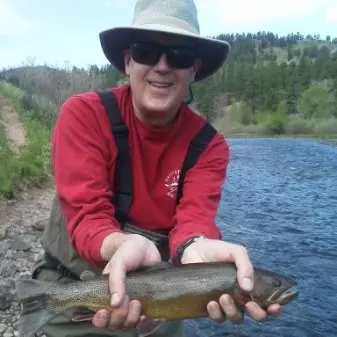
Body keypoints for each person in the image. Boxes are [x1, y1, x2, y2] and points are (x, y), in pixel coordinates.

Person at [32, 0, 281, 336]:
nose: (162, 66)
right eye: (147, 50)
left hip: (163, 298)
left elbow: (194, 223)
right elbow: (87, 215)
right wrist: (121, 246)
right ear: (128, 60)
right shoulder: (84, 115)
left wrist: (196, 246)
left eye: (178, 55)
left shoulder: (209, 146)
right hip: (72, 285)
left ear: (194, 68)